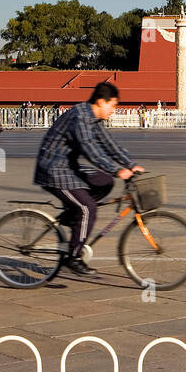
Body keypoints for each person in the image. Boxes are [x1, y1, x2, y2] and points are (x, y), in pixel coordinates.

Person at [33, 82, 145, 276]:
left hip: (68, 166)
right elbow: (91, 151)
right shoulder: (80, 117)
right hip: (53, 169)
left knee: (105, 182)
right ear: (101, 102)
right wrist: (116, 170)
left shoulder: (93, 118)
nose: (114, 110)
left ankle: (73, 217)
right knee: (88, 208)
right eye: (113, 106)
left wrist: (130, 164)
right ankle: (73, 257)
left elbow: (110, 145)